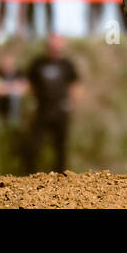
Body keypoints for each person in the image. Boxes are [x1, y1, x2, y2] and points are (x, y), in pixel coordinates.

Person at [24, 34, 79, 173]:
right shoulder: (38, 63)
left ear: (62, 46)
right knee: (35, 144)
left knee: (60, 146)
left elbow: (75, 84)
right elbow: (30, 84)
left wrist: (71, 103)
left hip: (61, 109)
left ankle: (61, 175)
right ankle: (32, 174)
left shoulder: (67, 64)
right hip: (42, 109)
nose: (54, 47)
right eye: (52, 44)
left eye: (57, 44)